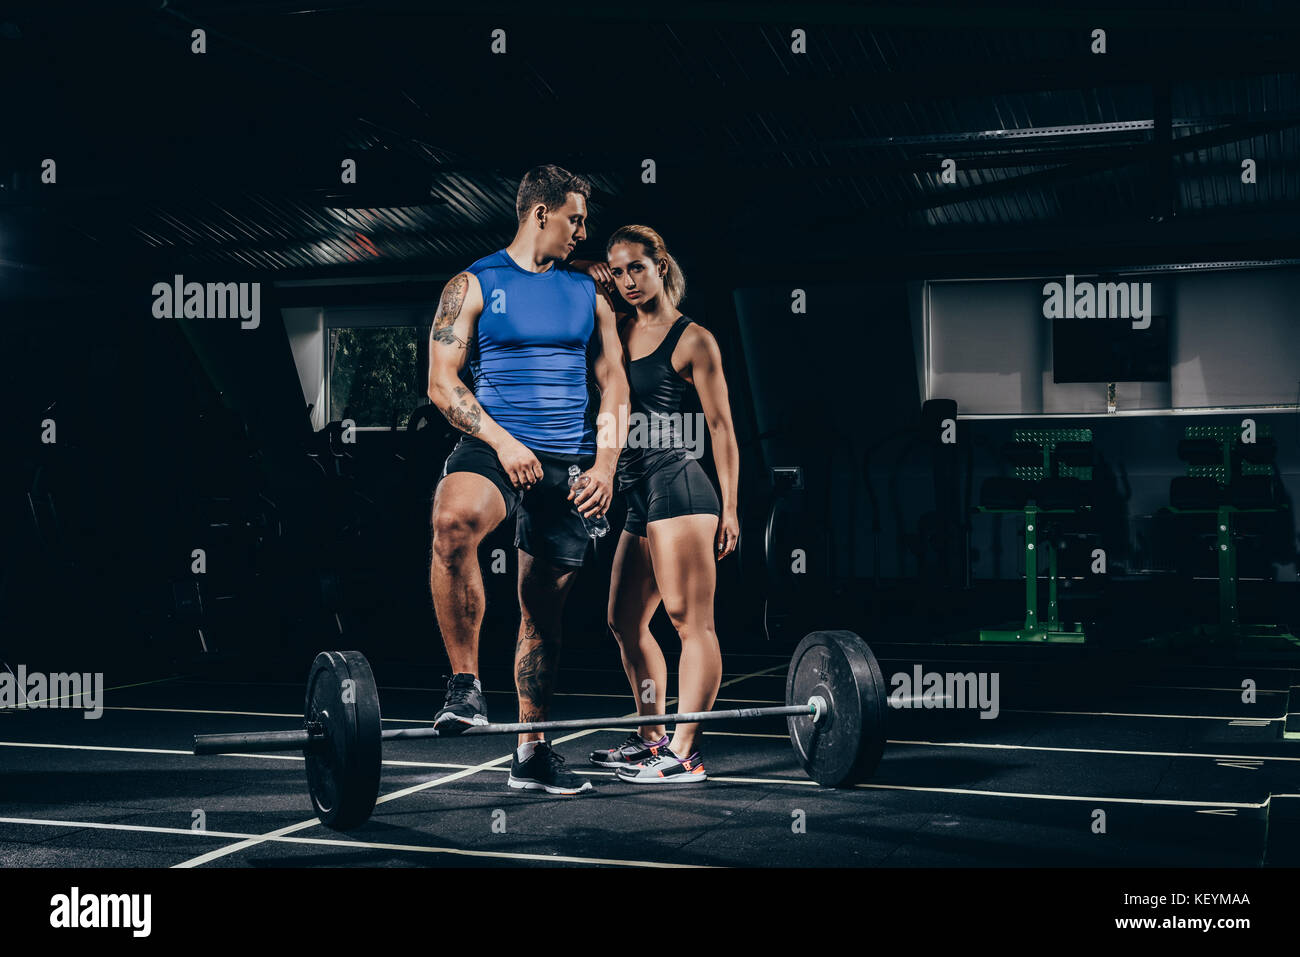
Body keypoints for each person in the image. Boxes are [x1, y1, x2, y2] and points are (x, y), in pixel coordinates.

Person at [425, 165, 629, 795]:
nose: (582, 231)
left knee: (542, 612)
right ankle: (464, 688)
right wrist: (503, 441)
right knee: (453, 522)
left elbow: (615, 382)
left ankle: (532, 751)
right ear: (540, 213)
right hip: (494, 444)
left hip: (568, 462)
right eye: (575, 218)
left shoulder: (586, 293)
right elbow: (441, 382)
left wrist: (605, 466)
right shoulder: (473, 284)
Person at [579, 226, 739, 785]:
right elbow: (551, 270)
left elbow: (719, 428)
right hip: (639, 494)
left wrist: (733, 508)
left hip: (681, 484)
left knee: (690, 623)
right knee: (624, 620)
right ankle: (652, 739)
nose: (626, 281)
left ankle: (685, 751)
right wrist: (590, 269)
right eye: (616, 271)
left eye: (636, 269)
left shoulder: (693, 339)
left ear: (661, 265)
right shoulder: (616, 327)